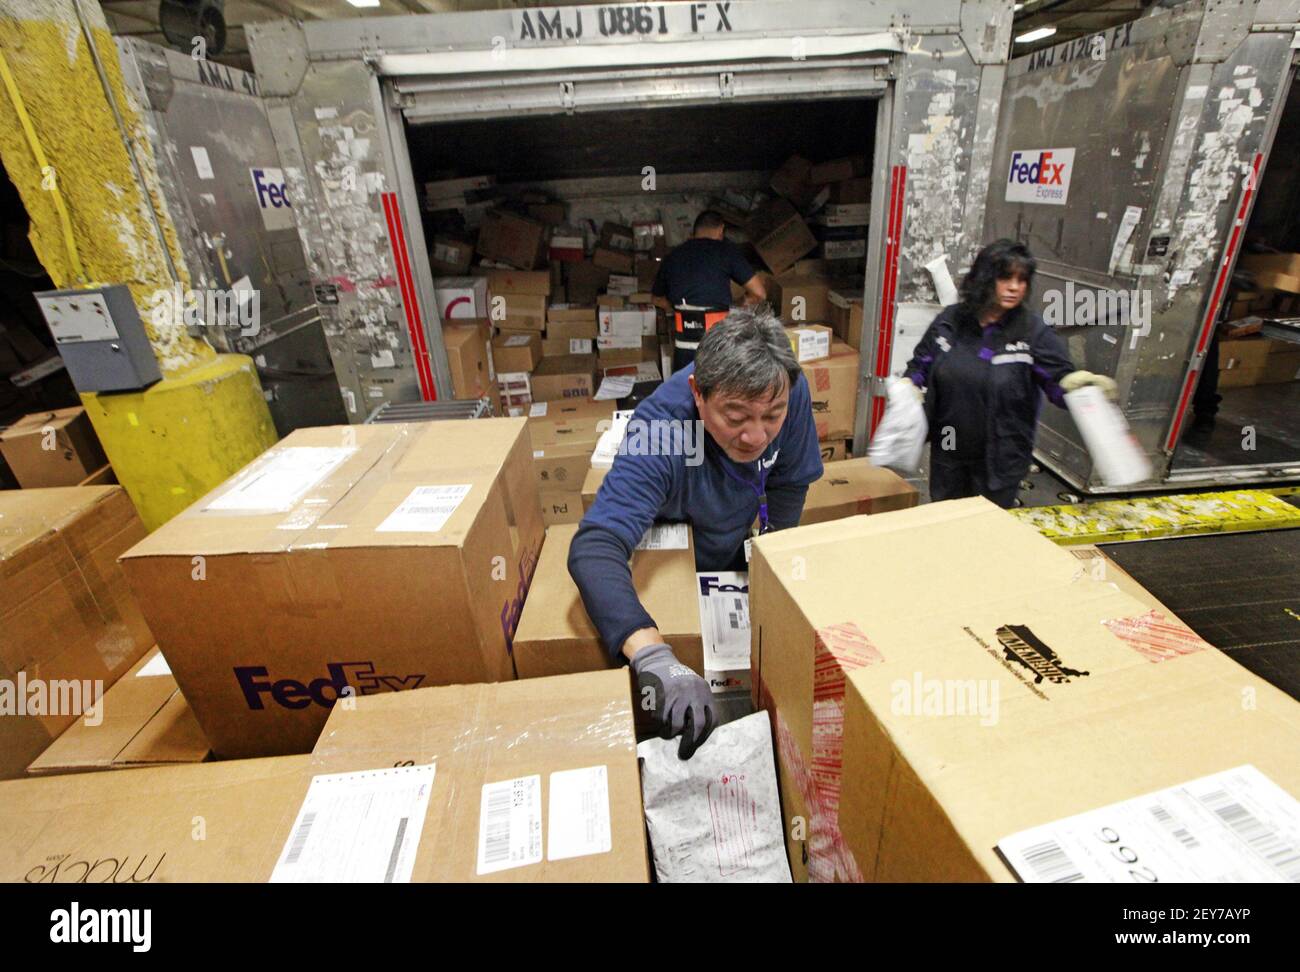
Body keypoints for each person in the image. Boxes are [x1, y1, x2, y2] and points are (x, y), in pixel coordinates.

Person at [569, 307, 822, 759]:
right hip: (679, 554)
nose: (755, 436)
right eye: (736, 416)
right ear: (697, 393)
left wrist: (773, 565)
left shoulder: (786, 388)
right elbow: (596, 546)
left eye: (772, 416)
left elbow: (789, 482)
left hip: (734, 554)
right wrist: (653, 657)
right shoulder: (661, 430)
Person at [903, 238, 1116, 508]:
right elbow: (921, 362)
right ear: (984, 278)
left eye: (1022, 279)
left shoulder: (1031, 330)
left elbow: (1057, 380)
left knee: (989, 522)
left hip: (1001, 451)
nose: (1014, 287)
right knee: (946, 512)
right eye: (1005, 278)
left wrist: (1077, 387)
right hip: (950, 439)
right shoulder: (950, 321)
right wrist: (909, 383)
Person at [652, 210, 767, 372]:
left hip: (684, 348)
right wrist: (739, 304)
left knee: (686, 393)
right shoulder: (726, 251)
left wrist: (678, 309)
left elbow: (656, 299)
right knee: (720, 394)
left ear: (694, 231)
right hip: (719, 345)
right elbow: (759, 293)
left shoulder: (673, 256)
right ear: (721, 230)